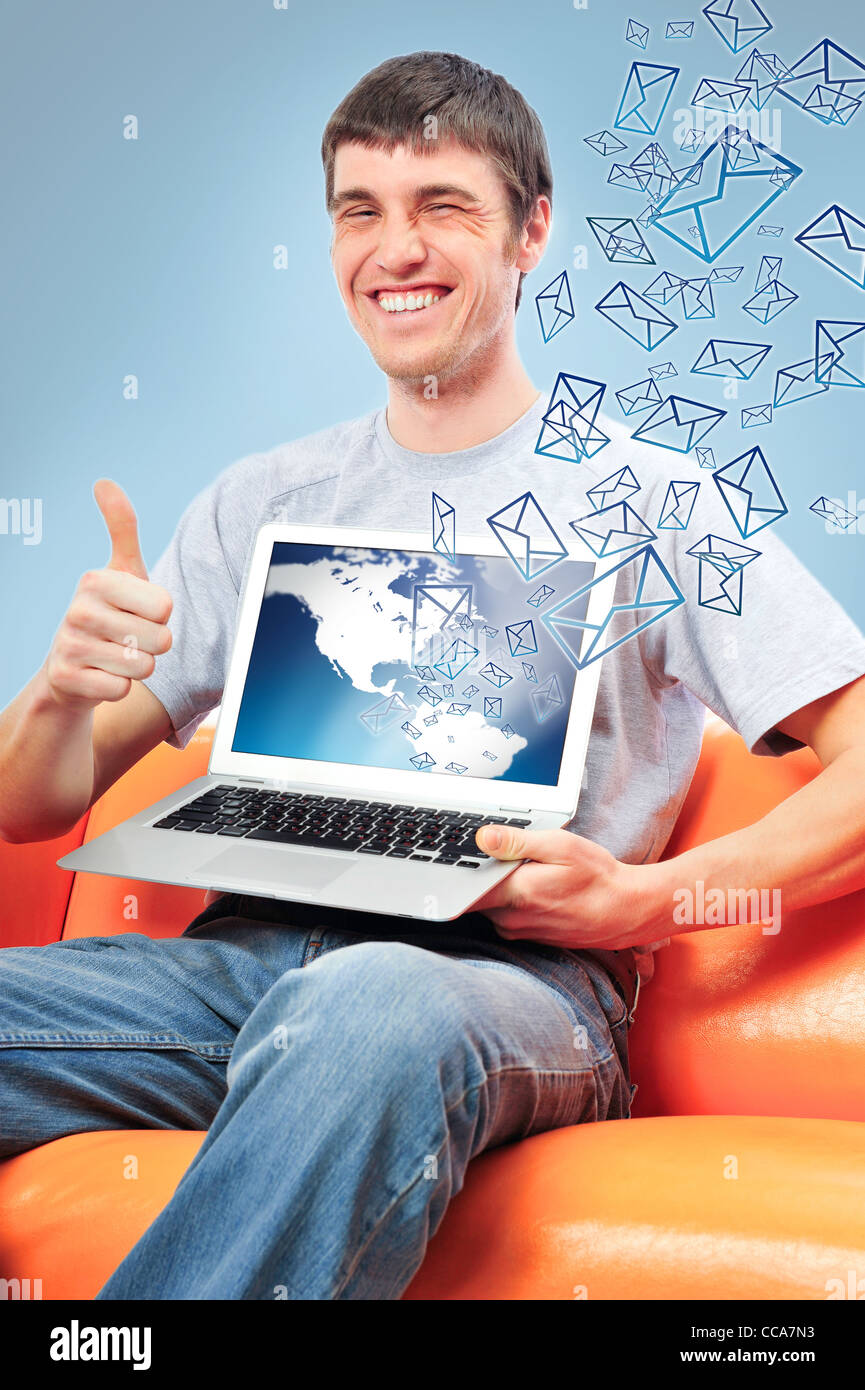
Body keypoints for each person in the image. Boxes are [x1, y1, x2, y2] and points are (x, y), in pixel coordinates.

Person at [1, 51, 865, 1301]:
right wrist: (60, 691)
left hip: (506, 991)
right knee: (322, 1009)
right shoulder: (258, 502)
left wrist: (653, 900)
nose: (393, 248)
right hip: (239, 974)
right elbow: (33, 803)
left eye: (442, 207)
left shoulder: (665, 506)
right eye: (362, 212)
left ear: (532, 231)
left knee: (361, 1010)